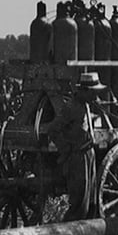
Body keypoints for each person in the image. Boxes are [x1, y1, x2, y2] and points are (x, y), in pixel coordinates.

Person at [49, 72, 106, 221]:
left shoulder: (85, 105)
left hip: (89, 154)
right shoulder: (71, 107)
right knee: (79, 202)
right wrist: (66, 148)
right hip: (78, 158)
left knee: (91, 200)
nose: (95, 96)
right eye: (93, 93)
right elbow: (53, 129)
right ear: (84, 91)